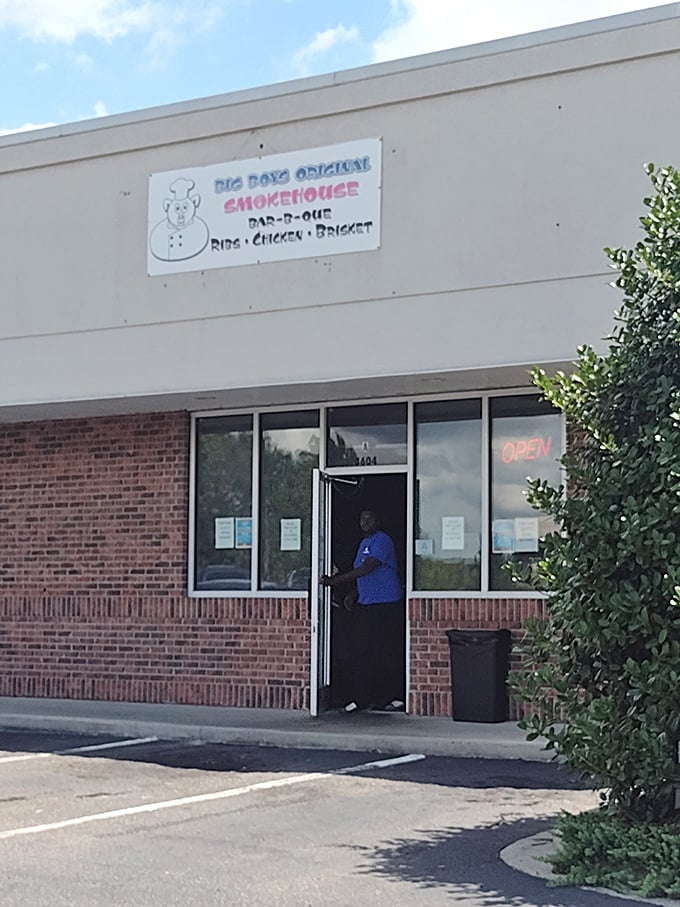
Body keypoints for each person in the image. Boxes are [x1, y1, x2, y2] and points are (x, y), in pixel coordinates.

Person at [321, 509, 405, 713]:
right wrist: (353, 594)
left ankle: (394, 697)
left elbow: (368, 568)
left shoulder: (382, 541)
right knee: (364, 652)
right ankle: (364, 698)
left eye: (369, 518)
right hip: (367, 604)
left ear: (378, 520)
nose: (365, 522)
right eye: (362, 518)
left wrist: (334, 581)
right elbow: (363, 576)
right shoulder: (363, 544)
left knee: (385, 652)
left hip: (385, 604)